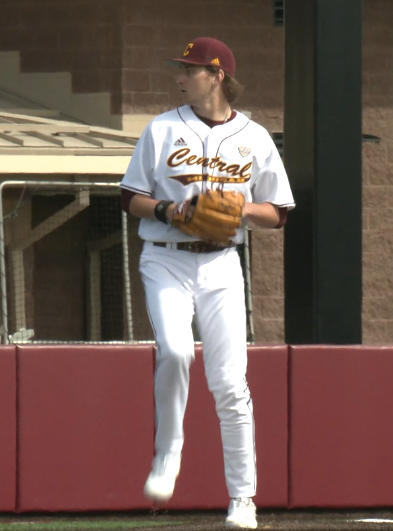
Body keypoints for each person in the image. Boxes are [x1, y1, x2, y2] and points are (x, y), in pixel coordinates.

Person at [119, 37, 295, 530]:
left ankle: (243, 499)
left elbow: (279, 212)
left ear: (217, 76)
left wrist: (241, 209)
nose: (180, 77)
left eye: (190, 70)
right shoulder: (161, 128)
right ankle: (167, 454)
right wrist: (167, 209)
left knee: (230, 384)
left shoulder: (254, 136)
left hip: (221, 263)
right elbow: (129, 198)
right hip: (166, 258)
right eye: (181, 69)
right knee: (176, 352)